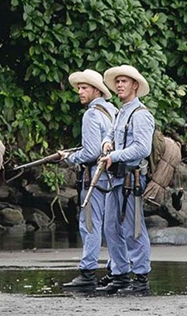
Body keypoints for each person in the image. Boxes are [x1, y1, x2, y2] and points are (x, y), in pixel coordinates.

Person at [97, 65, 155, 296]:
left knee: (134, 229)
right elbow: (110, 134)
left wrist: (114, 155)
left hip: (133, 179)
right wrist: (105, 143)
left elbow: (142, 148)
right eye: (117, 81)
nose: (120, 85)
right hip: (117, 178)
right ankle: (120, 274)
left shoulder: (141, 115)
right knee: (110, 227)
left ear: (135, 86)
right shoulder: (121, 112)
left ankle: (141, 278)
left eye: (124, 81)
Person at [60, 69, 117, 290]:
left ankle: (87, 273)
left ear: (96, 90)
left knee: (90, 225)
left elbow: (91, 152)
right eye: (79, 88)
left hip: (95, 178)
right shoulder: (112, 111)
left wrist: (69, 158)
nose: (80, 92)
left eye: (84, 88)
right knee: (111, 227)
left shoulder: (92, 114)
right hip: (112, 178)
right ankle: (115, 271)